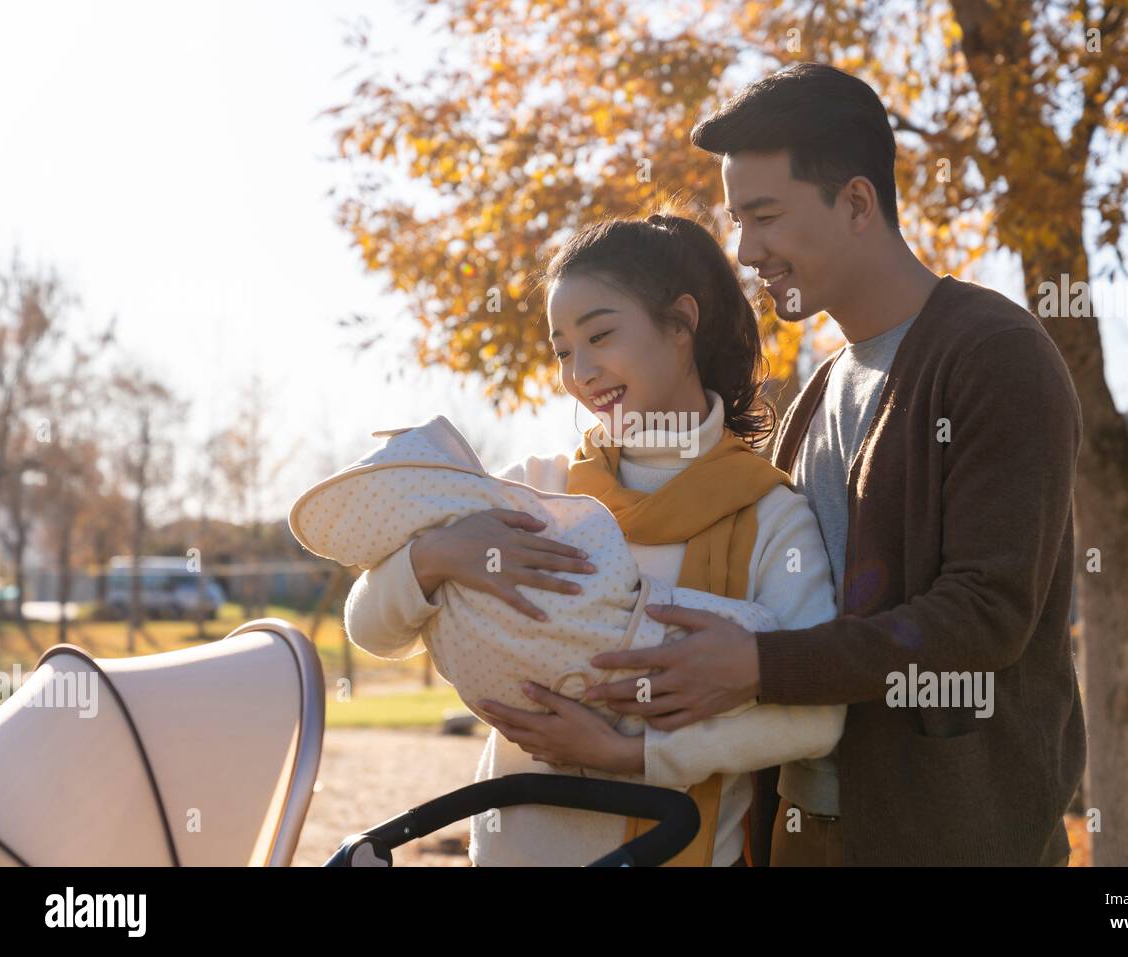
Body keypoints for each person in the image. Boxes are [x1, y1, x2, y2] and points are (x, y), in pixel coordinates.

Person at [582, 62, 1086, 867]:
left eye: (765, 215)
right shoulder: (814, 394)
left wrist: (758, 665)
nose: (747, 250)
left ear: (856, 202)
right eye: (738, 220)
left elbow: (985, 614)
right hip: (796, 833)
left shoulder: (996, 356)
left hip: (949, 844)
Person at [344, 211, 844, 867]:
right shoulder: (535, 489)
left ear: (681, 324)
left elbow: (817, 717)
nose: (579, 371)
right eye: (560, 350)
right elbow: (371, 630)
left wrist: (630, 756)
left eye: (600, 334)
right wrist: (436, 556)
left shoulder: (771, 517)